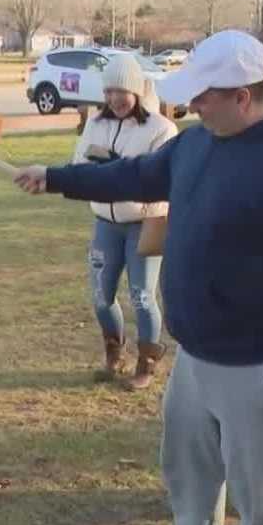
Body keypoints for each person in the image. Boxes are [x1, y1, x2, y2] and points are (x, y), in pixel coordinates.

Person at [14, 30, 263, 525]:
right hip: (191, 358)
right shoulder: (195, 144)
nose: (192, 106)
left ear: (242, 97)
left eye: (203, 96)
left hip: (254, 368)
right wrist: (57, 177)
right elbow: (133, 175)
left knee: (260, 502)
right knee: (188, 483)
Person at [73, 54, 178, 390]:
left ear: (136, 91)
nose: (114, 99)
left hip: (144, 223)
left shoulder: (161, 129)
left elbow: (166, 179)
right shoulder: (95, 124)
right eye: (108, 92)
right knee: (101, 295)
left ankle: (147, 363)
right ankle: (113, 354)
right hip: (105, 221)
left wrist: (122, 169)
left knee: (142, 296)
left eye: (122, 91)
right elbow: (78, 165)